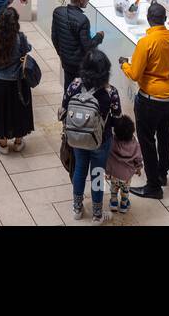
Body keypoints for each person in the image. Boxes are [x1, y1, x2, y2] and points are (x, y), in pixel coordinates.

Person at [120, 1, 169, 200]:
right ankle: (162, 174)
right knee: (165, 135)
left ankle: (153, 186)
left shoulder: (146, 43)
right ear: (164, 19)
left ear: (148, 19)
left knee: (147, 140)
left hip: (150, 99)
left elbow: (136, 74)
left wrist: (124, 65)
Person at [64, 49, 122, 223]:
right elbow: (117, 116)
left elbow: (65, 106)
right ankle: (97, 214)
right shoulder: (111, 92)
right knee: (97, 174)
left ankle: (77, 208)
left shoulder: (74, 85)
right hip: (100, 140)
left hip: (77, 139)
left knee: (80, 170)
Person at [0, 6, 33, 154]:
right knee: (19, 110)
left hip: (0, 81)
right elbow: (27, 49)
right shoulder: (21, 37)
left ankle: (3, 143)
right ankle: (18, 141)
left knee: (2, 111)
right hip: (19, 81)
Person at [52, 0, 104, 88]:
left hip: (66, 61)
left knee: (68, 89)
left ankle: (66, 104)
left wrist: (61, 54)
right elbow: (88, 47)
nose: (87, 1)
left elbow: (54, 37)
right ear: (81, 0)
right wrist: (99, 37)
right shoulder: (82, 20)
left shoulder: (58, 12)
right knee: (80, 91)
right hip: (79, 65)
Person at [105, 114, 144, 214]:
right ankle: (123, 204)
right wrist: (138, 168)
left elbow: (108, 156)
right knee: (125, 190)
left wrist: (107, 170)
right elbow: (138, 158)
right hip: (126, 175)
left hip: (114, 173)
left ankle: (113, 203)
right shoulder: (134, 143)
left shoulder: (113, 141)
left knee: (114, 188)